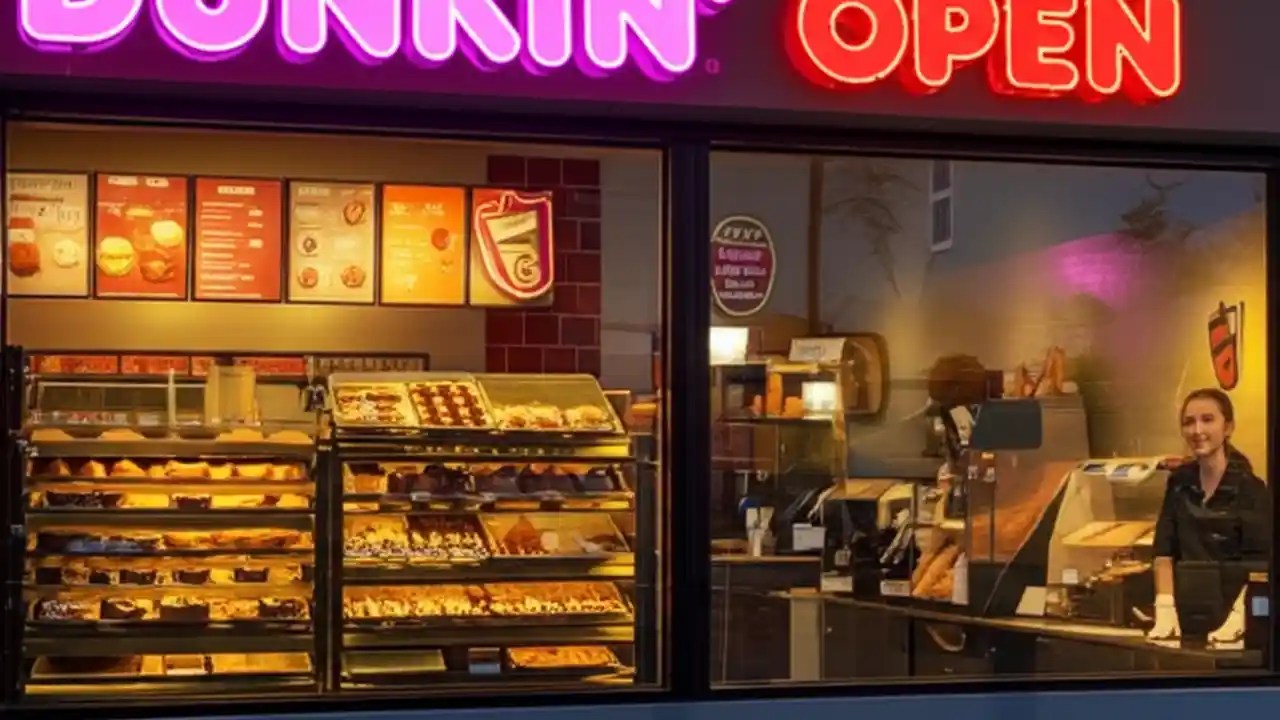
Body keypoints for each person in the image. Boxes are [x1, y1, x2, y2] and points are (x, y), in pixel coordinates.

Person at [1147, 388, 1271, 645]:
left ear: (1228, 427)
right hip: (1187, 618)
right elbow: (1163, 551)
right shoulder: (1179, 482)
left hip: (1236, 624)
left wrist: (1239, 617)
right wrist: (1165, 608)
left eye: (1207, 419)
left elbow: (1261, 565)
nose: (1197, 430)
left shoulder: (1251, 489)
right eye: (1188, 422)